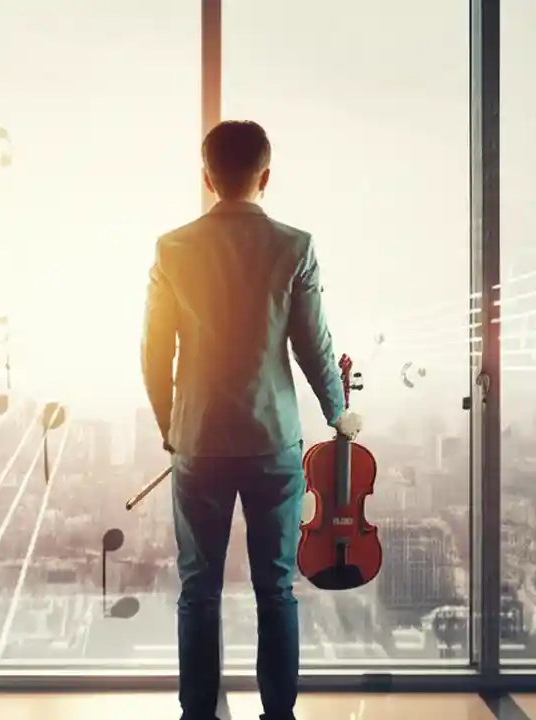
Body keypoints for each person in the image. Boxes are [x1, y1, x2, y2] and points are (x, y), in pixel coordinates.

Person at [141, 120, 363, 720]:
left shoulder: (172, 249)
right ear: (266, 176)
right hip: (272, 443)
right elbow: (314, 347)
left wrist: (171, 423)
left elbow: (154, 351)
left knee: (199, 590)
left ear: (207, 178)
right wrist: (339, 415)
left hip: (199, 439)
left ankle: (197, 715)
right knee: (276, 588)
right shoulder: (294, 246)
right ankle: (280, 716)